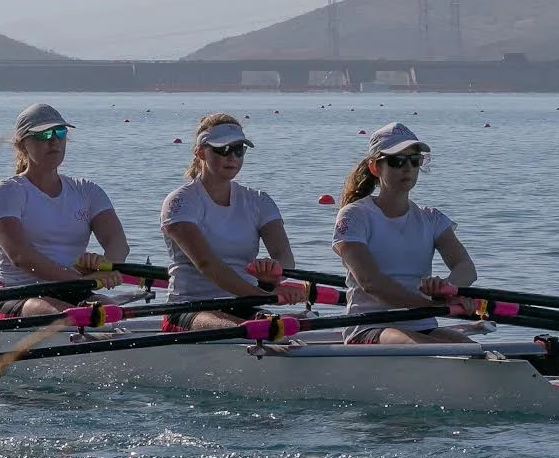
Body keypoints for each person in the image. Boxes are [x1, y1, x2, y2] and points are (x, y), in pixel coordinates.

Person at [331, 122, 477, 344]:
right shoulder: (354, 216)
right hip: (370, 327)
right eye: (397, 161)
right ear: (375, 168)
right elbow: (371, 283)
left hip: (422, 324)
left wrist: (447, 289)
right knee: (420, 347)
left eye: (414, 161)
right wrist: (432, 305)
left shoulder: (432, 218)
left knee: (473, 351)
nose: (407, 168)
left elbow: (466, 268)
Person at [159, 113, 305, 330]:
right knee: (261, 329)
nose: (232, 158)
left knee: (290, 327)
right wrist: (265, 295)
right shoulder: (181, 202)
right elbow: (208, 265)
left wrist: (273, 273)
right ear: (201, 152)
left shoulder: (258, 201)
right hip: (189, 308)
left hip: (245, 303)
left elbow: (285, 257)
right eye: (222, 150)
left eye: (239, 150)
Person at [0, 102, 129, 316]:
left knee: (112, 314)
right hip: (19, 296)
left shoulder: (87, 191)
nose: (53, 141)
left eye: (60, 132)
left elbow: (118, 243)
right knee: (69, 315)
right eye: (43, 135)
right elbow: (21, 257)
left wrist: (107, 266)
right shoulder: (7, 192)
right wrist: (81, 279)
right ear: (22, 146)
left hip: (75, 289)